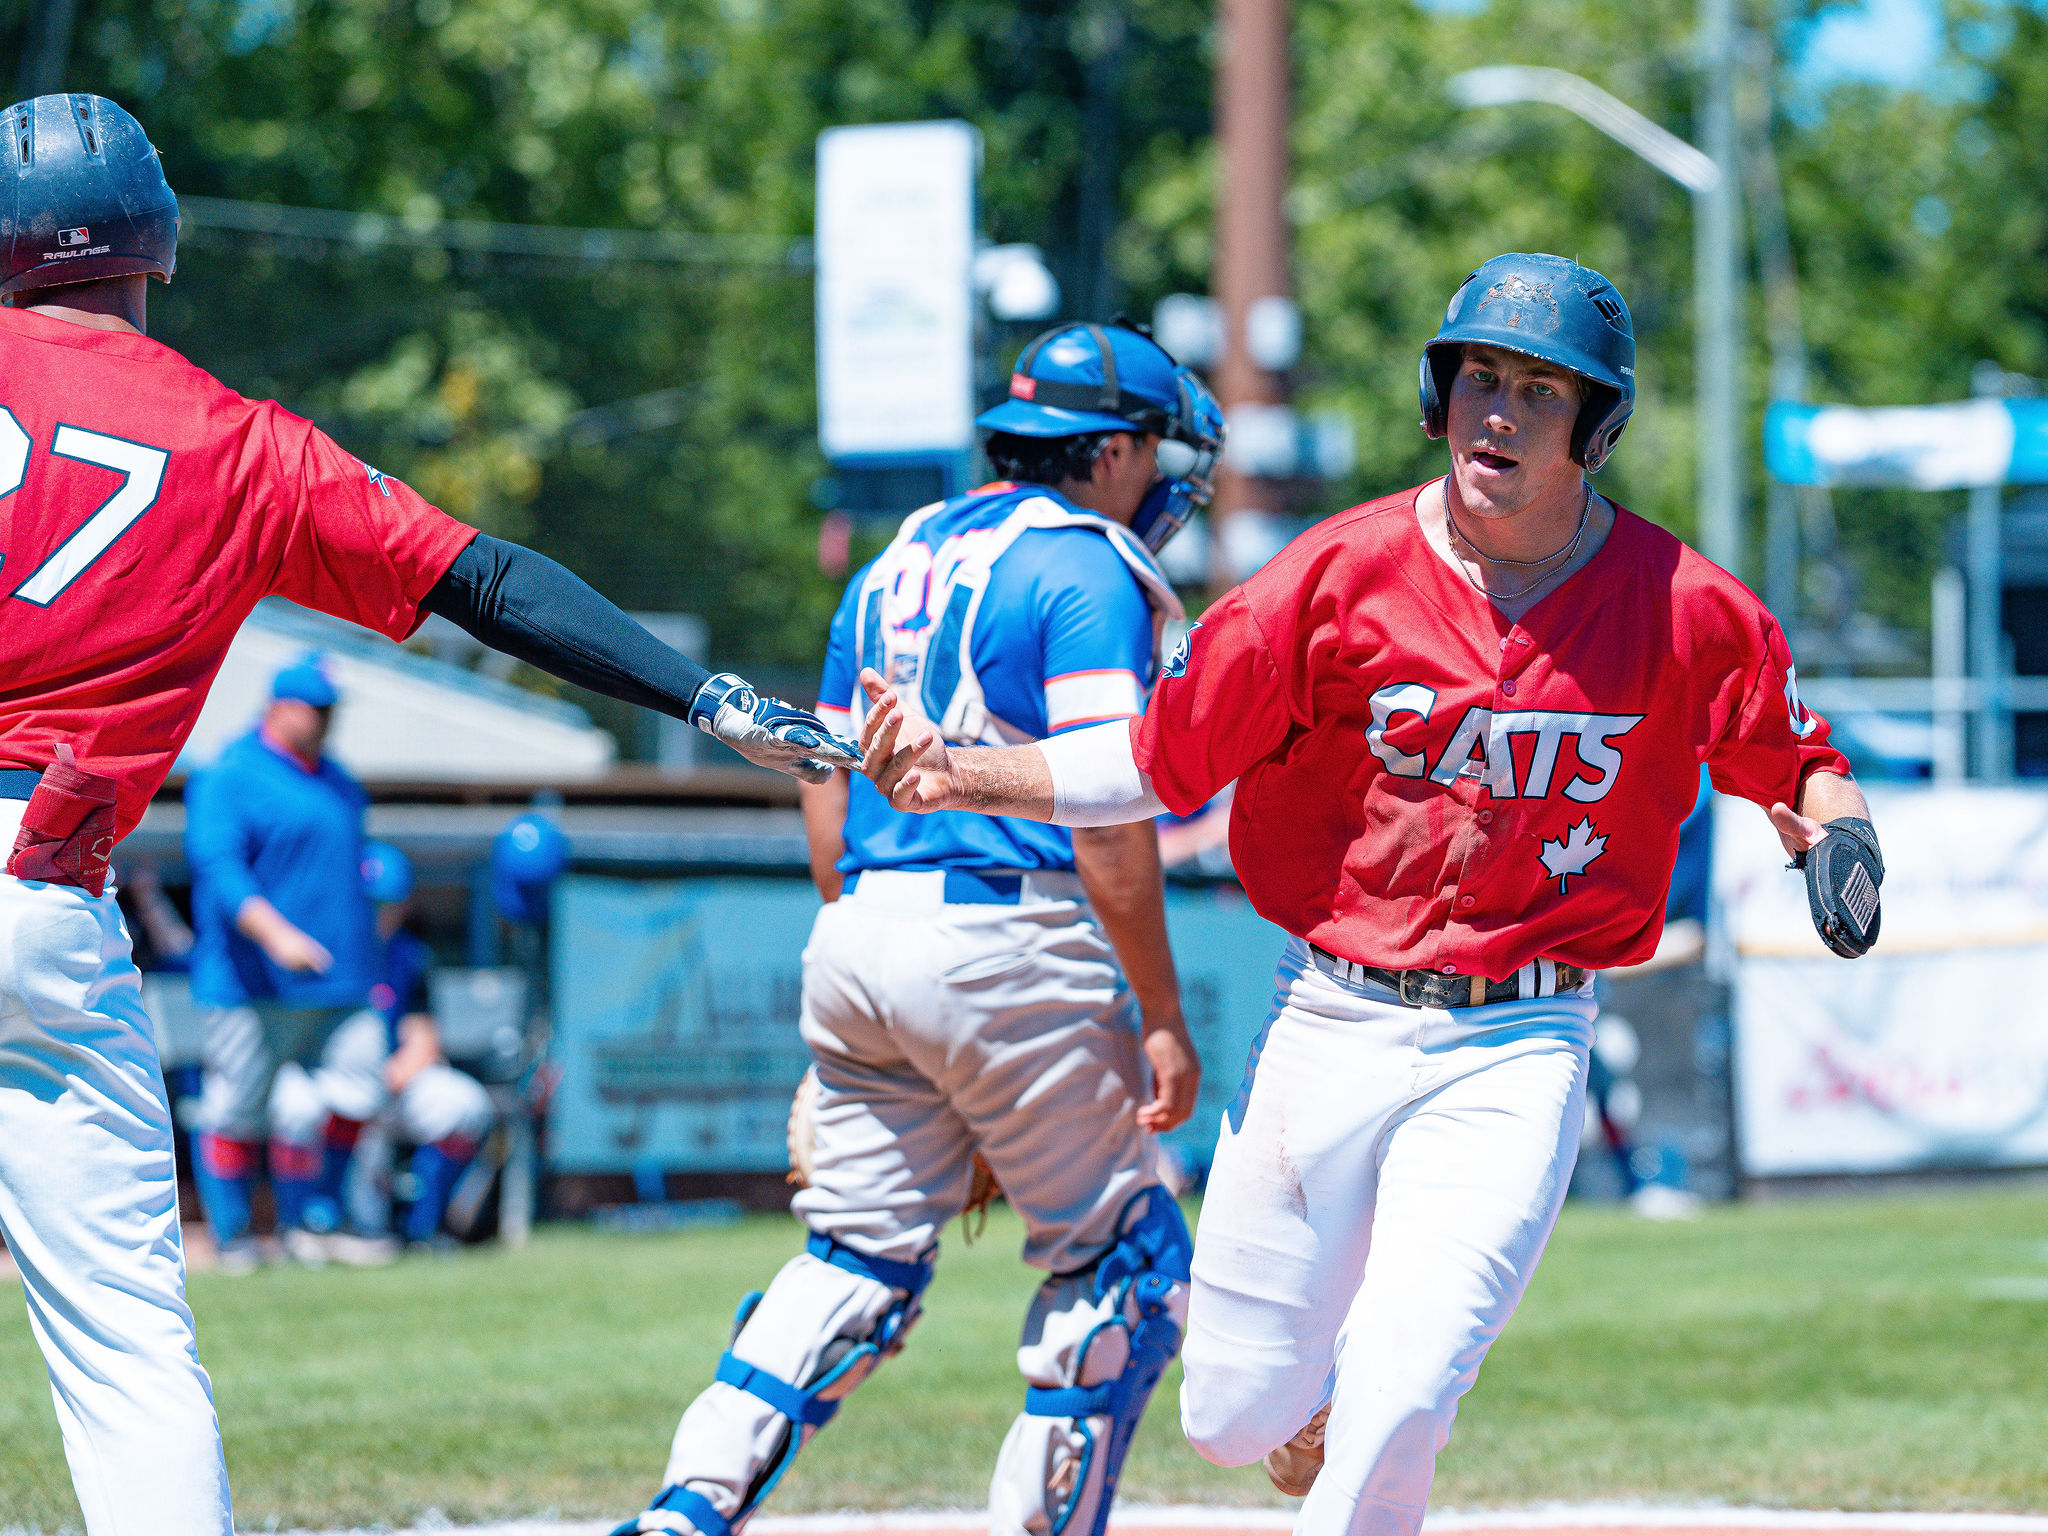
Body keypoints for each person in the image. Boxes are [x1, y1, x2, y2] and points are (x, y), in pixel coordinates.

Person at [855, 254, 1886, 1536]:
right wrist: (958, 772)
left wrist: (1838, 835)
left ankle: (1372, 1413)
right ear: (1436, 394)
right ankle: (1319, 1402)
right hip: (1328, 1021)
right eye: (1477, 379)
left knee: (1407, 1393)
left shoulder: (1683, 607)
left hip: (1518, 1039)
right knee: (1227, 1418)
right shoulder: (1332, 573)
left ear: (1596, 428)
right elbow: (1157, 756)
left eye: (1538, 391)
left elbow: (1797, 760)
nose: (1498, 413)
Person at [0, 91, 853, 1536]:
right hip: (36, 889)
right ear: (159, 242)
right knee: (127, 1346)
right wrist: (702, 694)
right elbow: (488, 583)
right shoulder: (242, 446)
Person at [614, 321, 1225, 1536]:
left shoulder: (896, 555)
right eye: (1154, 453)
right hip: (1009, 929)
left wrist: (872, 954)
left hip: (866, 926)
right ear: (1107, 452)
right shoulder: (1088, 564)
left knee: (853, 1259)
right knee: (1123, 1268)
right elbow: (1104, 809)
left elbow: (821, 774)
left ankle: (689, 1508)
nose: (1162, 481)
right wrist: (1157, 1015)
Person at [184, 656, 395, 1268]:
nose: (327, 721)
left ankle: (321, 1220)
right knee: (238, 1108)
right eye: (316, 708)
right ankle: (235, 1237)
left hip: (344, 979)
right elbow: (218, 869)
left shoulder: (339, 782)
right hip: (252, 982)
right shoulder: (229, 774)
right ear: (279, 706)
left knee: (358, 1095)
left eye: (332, 709)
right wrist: (275, 935)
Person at [352, 838, 496, 1249]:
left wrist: (387, 1077)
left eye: (387, 904)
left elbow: (423, 1041)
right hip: (338, 1085)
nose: (378, 914)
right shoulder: (331, 949)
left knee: (463, 1104)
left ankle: (426, 1227)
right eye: (369, 903)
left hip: (391, 1083)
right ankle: (341, 1227)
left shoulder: (408, 956)